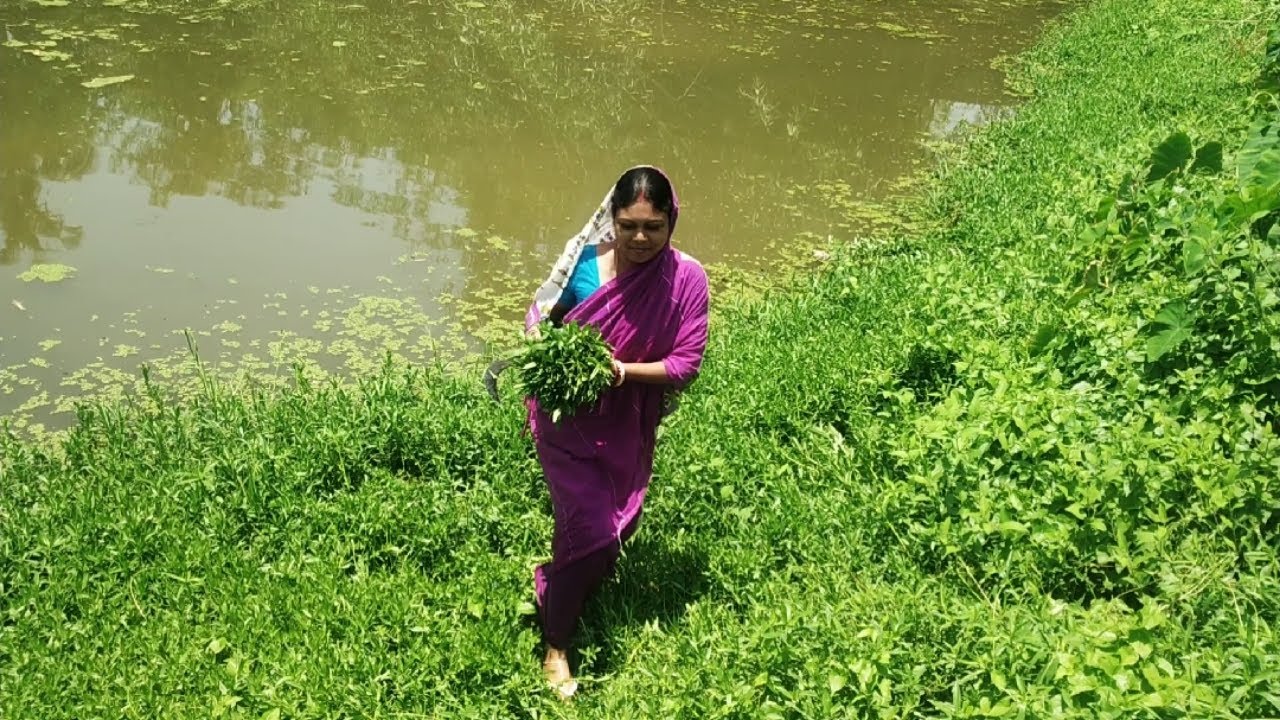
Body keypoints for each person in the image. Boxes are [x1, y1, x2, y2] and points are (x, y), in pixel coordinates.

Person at [492, 166, 709, 698]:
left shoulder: (686, 280)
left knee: (612, 525)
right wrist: (547, 348)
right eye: (628, 225)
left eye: (653, 227)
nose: (639, 239)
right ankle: (556, 644)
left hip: (626, 421)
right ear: (611, 219)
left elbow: (685, 364)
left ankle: (567, 573)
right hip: (565, 420)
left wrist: (622, 373)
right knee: (592, 528)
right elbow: (539, 318)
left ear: (671, 222)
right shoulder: (583, 265)